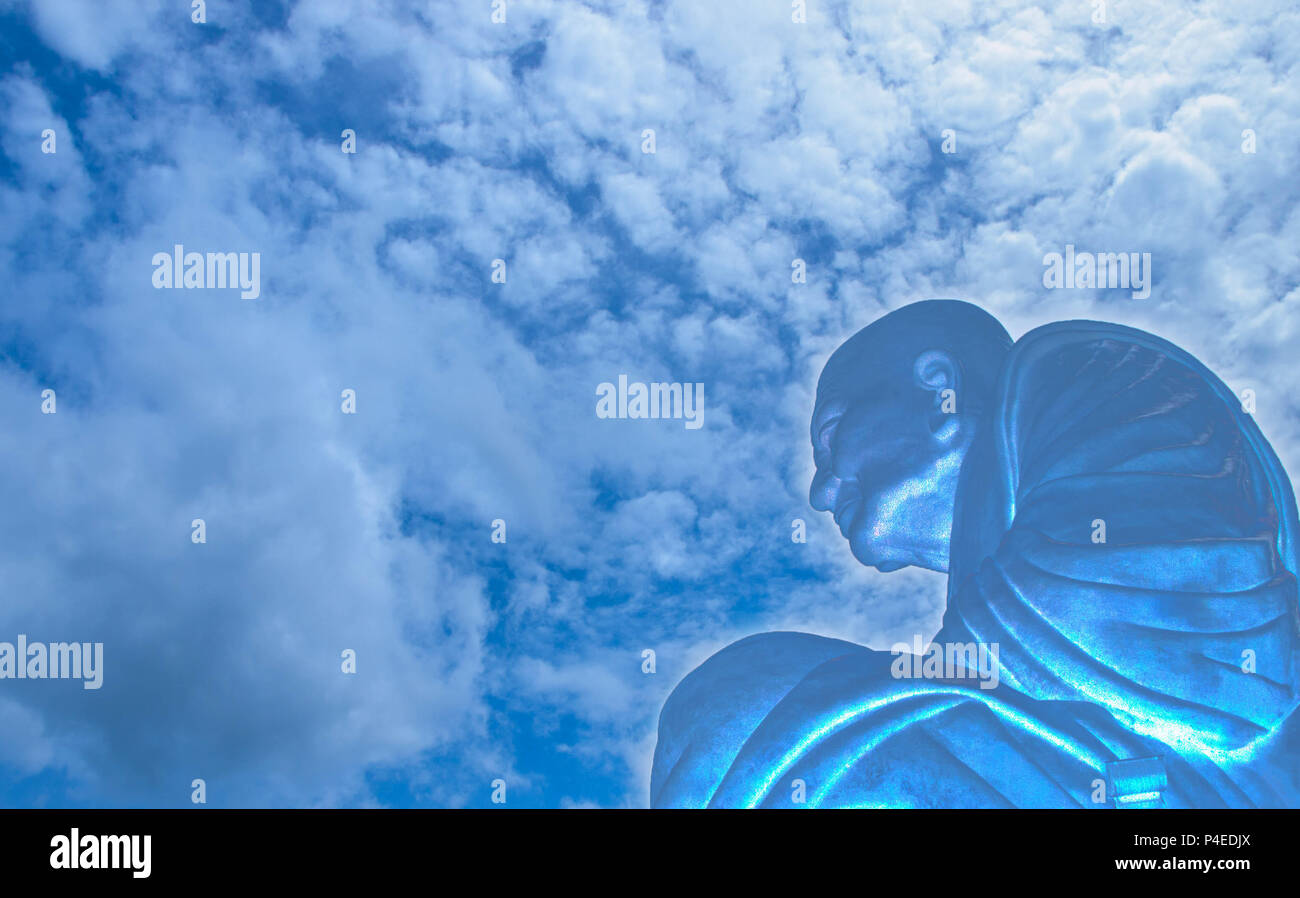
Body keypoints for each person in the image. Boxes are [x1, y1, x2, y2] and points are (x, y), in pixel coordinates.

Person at [650, 300, 1300, 808]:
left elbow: (1189, 645)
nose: (822, 492)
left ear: (939, 390)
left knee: (747, 702)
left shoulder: (1111, 379)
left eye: (833, 437)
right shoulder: (1012, 518)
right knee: (751, 700)